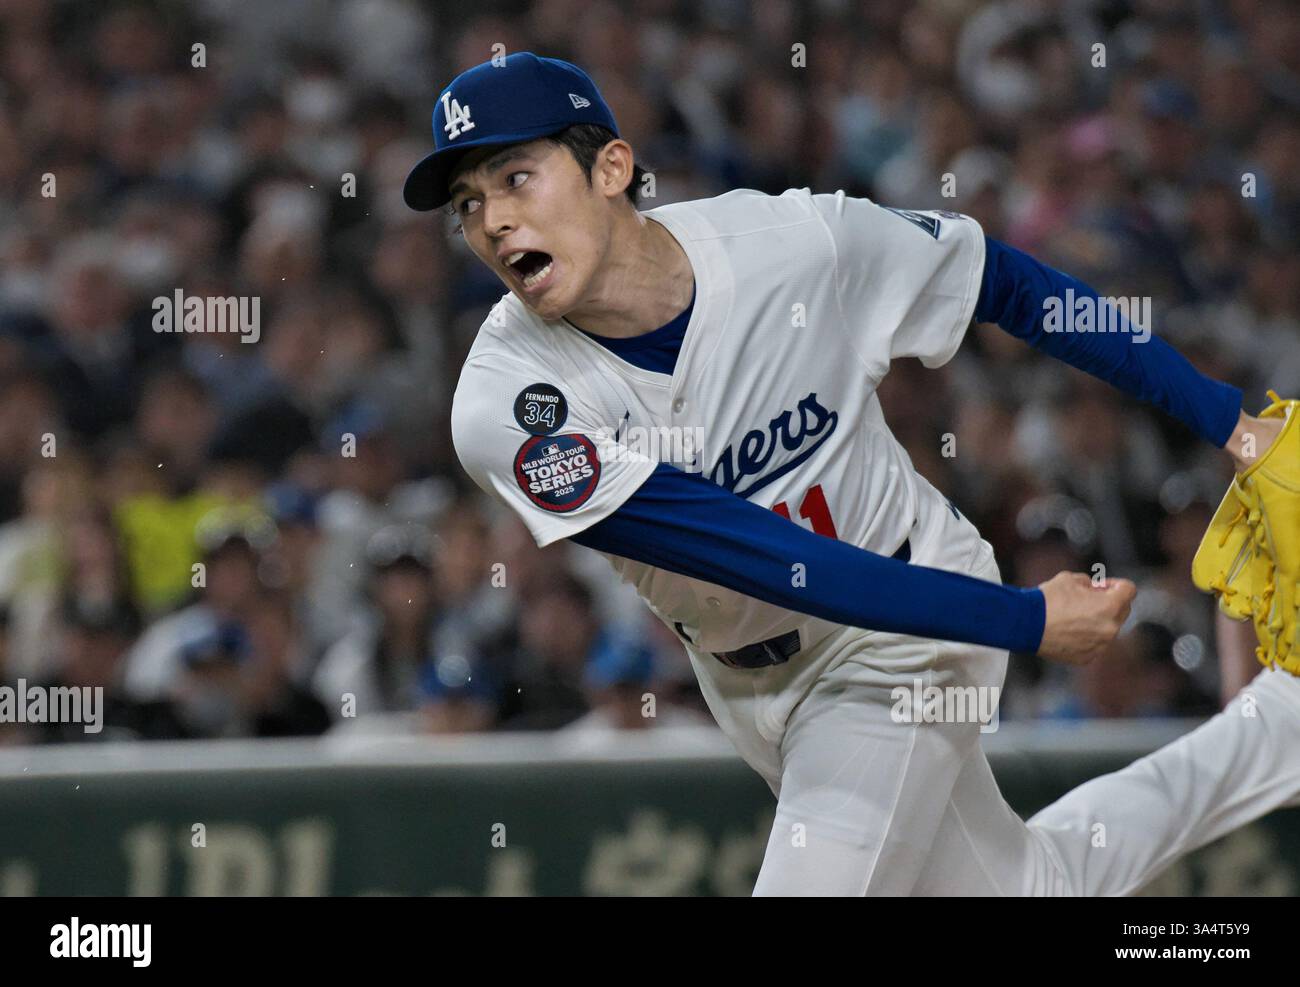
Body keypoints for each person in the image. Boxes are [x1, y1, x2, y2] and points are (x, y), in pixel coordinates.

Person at [406, 52, 1297, 896]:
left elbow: (1009, 284)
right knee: (1040, 885)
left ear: (610, 168)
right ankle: (1286, 730)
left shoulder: (793, 246)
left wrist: (1230, 422)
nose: (491, 222)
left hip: (910, 628)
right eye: (467, 203)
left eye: (516, 178)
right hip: (755, 681)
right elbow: (756, 553)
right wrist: (1027, 620)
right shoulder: (509, 404)